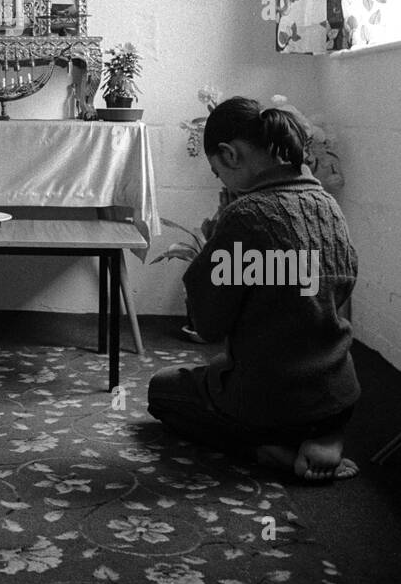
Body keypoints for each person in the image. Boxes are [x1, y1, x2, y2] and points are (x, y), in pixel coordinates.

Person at [147, 97, 360, 483]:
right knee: (218, 372)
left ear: (229, 155)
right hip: (337, 393)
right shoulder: (328, 205)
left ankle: (266, 449)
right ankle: (326, 434)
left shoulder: (246, 216)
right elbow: (336, 292)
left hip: (270, 400)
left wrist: (216, 239)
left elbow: (208, 325)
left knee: (162, 390)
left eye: (216, 172)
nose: (221, 182)